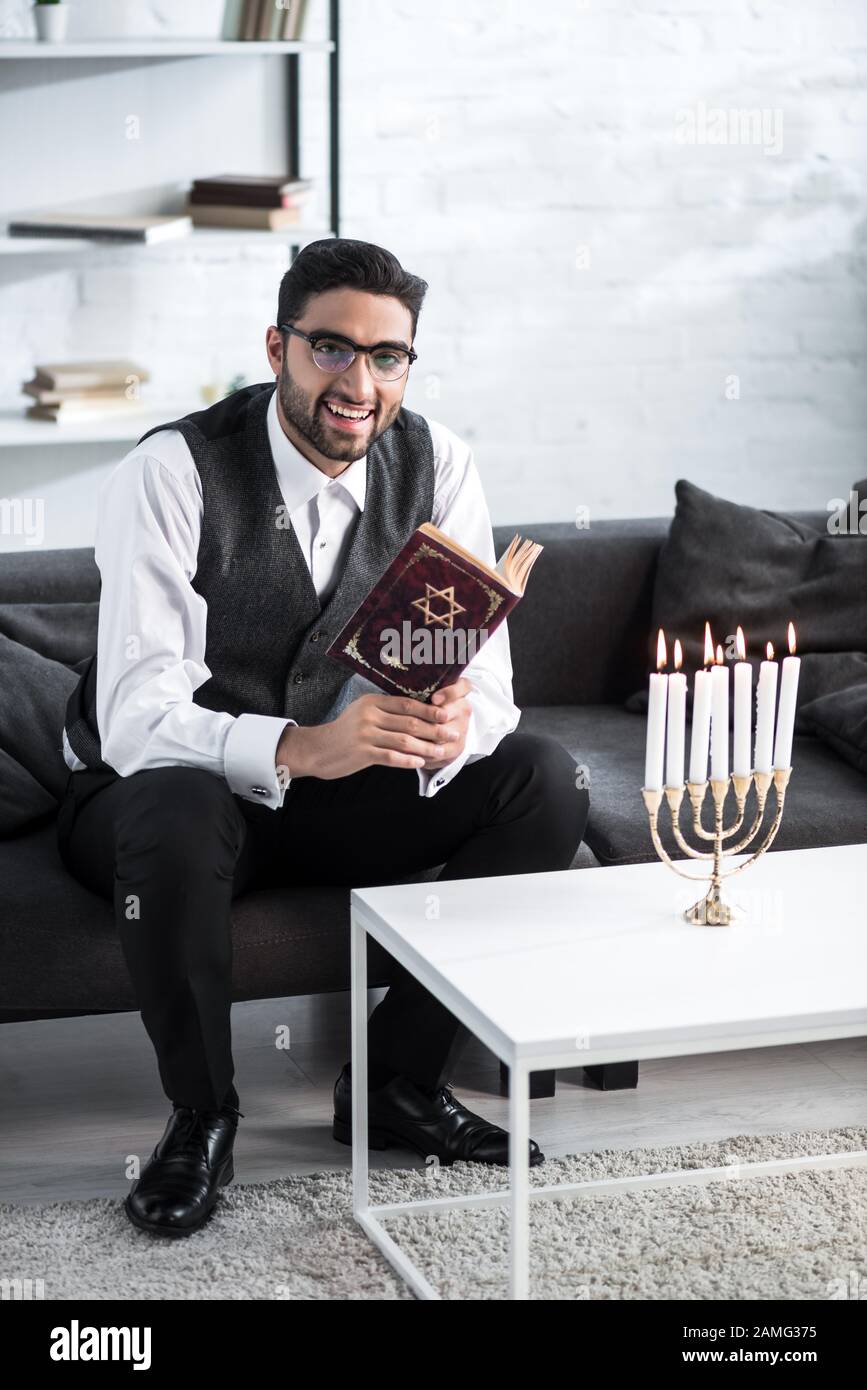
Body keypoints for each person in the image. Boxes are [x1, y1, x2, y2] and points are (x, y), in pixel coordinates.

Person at [56, 238, 590, 1238]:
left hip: (335, 795)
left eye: (387, 356)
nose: (360, 381)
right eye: (332, 349)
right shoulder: (173, 470)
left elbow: (492, 686)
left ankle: (395, 1083)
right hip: (157, 797)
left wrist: (450, 731)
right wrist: (303, 746)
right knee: (177, 803)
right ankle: (202, 1116)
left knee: (543, 780)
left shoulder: (439, 464)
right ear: (277, 347)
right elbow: (134, 717)